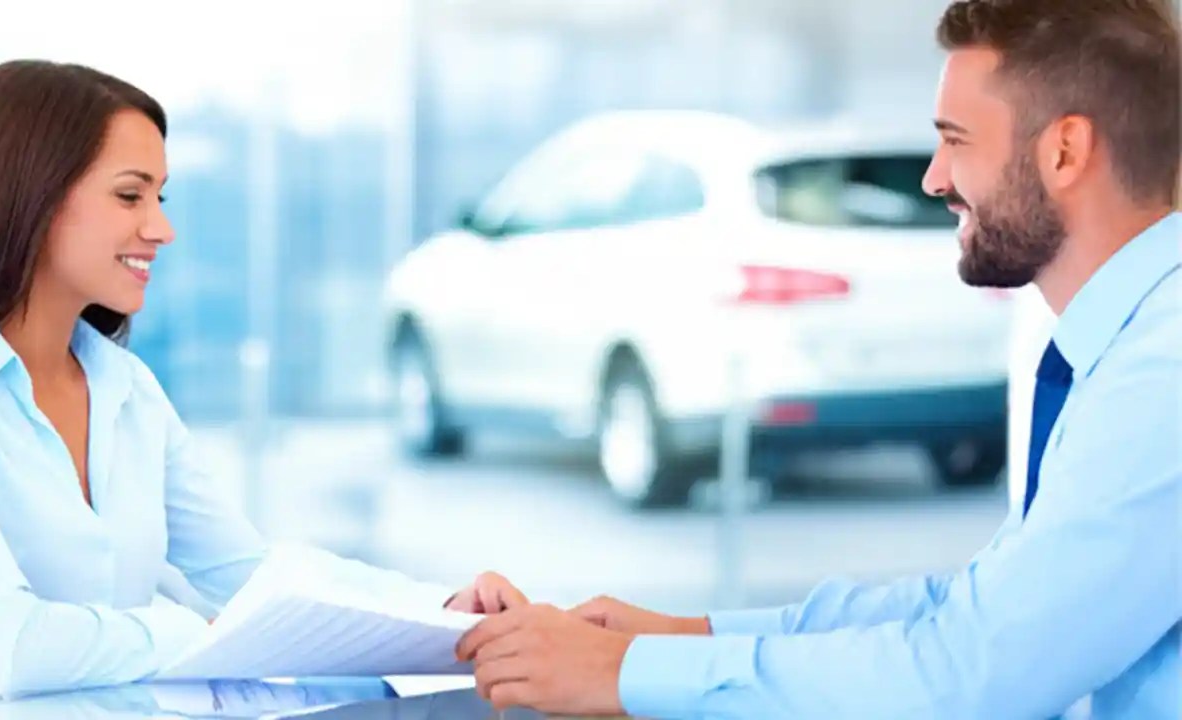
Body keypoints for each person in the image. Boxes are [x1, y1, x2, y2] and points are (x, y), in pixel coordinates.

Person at [455, 0, 1182, 716]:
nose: (933, 179)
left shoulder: (1161, 372)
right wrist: (677, 639)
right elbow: (969, 609)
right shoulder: (1137, 346)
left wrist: (625, 673)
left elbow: (972, 674)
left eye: (956, 141)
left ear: (1064, 152)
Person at [0, 60, 524, 720]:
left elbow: (248, 571)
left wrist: (440, 612)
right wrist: (189, 633)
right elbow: (3, 647)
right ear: (33, 197)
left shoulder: (127, 390)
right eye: (130, 196)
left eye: (159, 199)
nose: (160, 229)